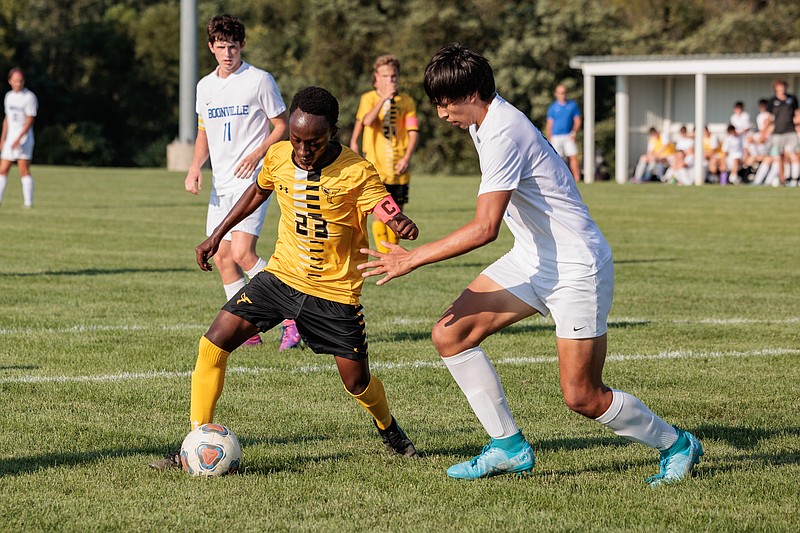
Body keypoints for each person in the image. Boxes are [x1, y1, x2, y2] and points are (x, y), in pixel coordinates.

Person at [359, 43, 703, 486]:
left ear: (474, 94)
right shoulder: (482, 122)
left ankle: (677, 444)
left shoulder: (503, 132)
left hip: (576, 267)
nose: (441, 114)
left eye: (447, 103)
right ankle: (508, 447)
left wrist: (413, 258)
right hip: (532, 258)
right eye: (437, 104)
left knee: (583, 396)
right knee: (450, 334)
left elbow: (485, 228)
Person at [150, 86, 419, 470]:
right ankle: (194, 444)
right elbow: (257, 192)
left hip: (334, 293)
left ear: (332, 133)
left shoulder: (356, 171)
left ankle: (388, 427)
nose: (303, 150)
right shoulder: (278, 156)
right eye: (296, 139)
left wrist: (398, 220)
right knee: (212, 345)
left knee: (356, 384)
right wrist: (216, 235)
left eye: (314, 142)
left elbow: (383, 204)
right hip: (280, 278)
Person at [184, 14, 299, 350]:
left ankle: (293, 316)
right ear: (211, 47)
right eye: (221, 47)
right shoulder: (205, 86)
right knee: (222, 257)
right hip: (221, 185)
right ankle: (248, 330)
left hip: (253, 181)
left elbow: (282, 125)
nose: (228, 53)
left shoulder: (259, 80)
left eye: (233, 47)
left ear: (242, 45)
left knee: (243, 252)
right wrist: (194, 167)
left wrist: (258, 153)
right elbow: (204, 131)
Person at [350, 54, 419, 254]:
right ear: (376, 78)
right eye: (385, 76)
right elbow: (367, 121)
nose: (390, 80)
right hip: (376, 166)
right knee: (381, 213)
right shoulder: (369, 99)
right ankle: (383, 254)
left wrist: (407, 157)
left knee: (399, 215)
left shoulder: (407, 101)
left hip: (398, 167)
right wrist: (383, 99)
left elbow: (413, 131)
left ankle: (394, 254)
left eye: (394, 76)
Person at [0, 68, 38, 208]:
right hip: (10, 138)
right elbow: (7, 119)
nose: (18, 83)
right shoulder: (9, 96)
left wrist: (19, 138)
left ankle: (28, 202)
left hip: (24, 139)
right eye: (15, 81)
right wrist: (3, 139)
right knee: (2, 170)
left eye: (21, 81)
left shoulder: (29, 97)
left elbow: (30, 119)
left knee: (24, 170)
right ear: (10, 81)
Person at [764, 79, 799, 186]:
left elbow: (797, 113)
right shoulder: (772, 100)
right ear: (776, 88)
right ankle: (783, 178)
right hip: (778, 133)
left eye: (783, 86)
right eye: (779, 86)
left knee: (793, 154)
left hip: (790, 131)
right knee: (780, 156)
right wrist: (764, 132)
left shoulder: (792, 99)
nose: (782, 88)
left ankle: (794, 179)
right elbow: (769, 118)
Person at [545, 84, 582, 181]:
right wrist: (549, 138)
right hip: (556, 136)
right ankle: (558, 179)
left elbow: (577, 120)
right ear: (556, 94)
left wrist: (574, 132)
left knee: (573, 156)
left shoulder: (572, 105)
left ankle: (577, 178)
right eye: (560, 93)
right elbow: (549, 124)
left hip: (568, 135)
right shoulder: (553, 107)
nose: (562, 95)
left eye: (564, 93)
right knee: (556, 159)